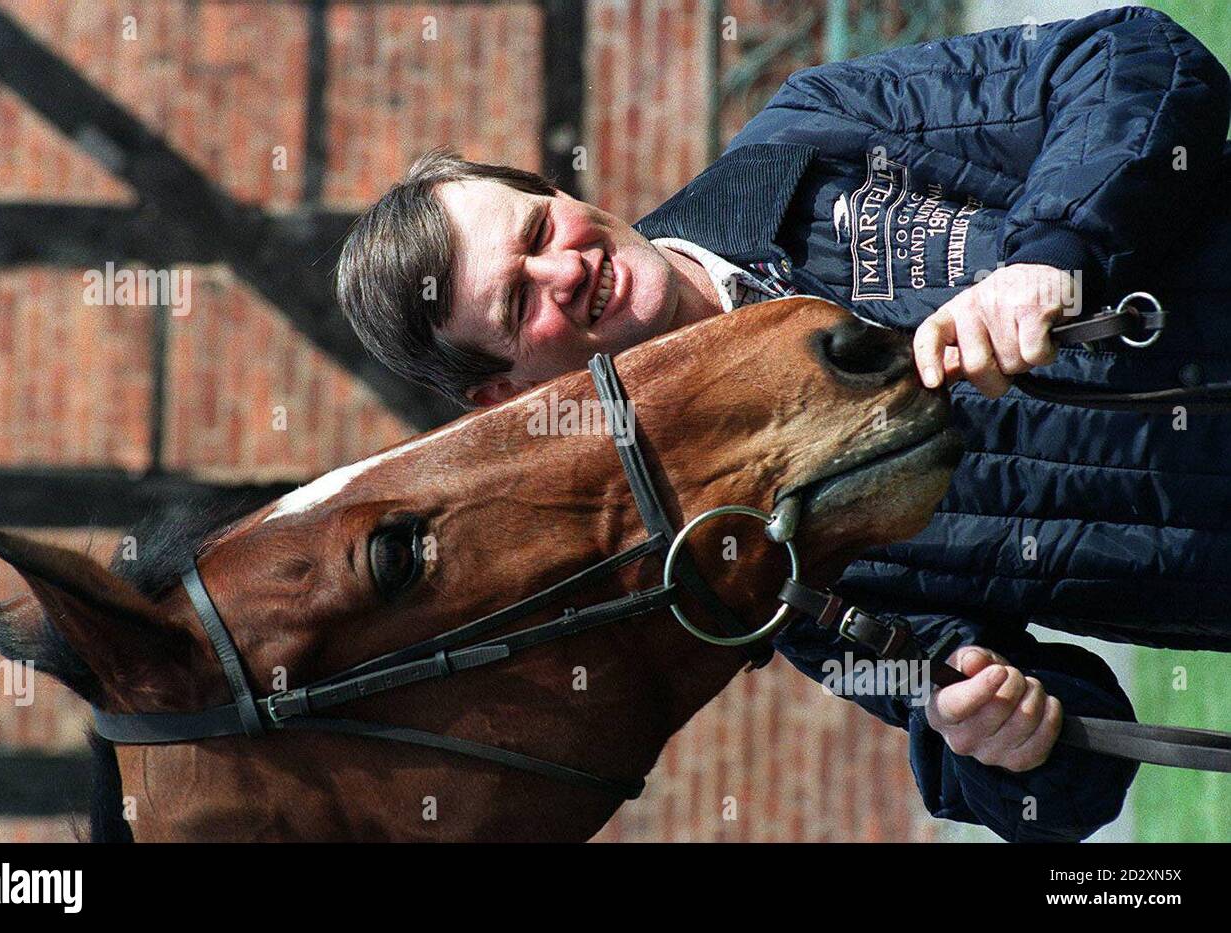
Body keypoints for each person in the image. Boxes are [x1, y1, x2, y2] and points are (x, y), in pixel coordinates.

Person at [336, 7, 1231, 842]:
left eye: (538, 227)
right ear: (505, 395)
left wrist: (1053, 251)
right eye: (518, 299)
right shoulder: (747, 543)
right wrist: (1004, 741)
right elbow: (1043, 751)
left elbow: (1130, 56)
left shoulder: (813, 134)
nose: (562, 267)